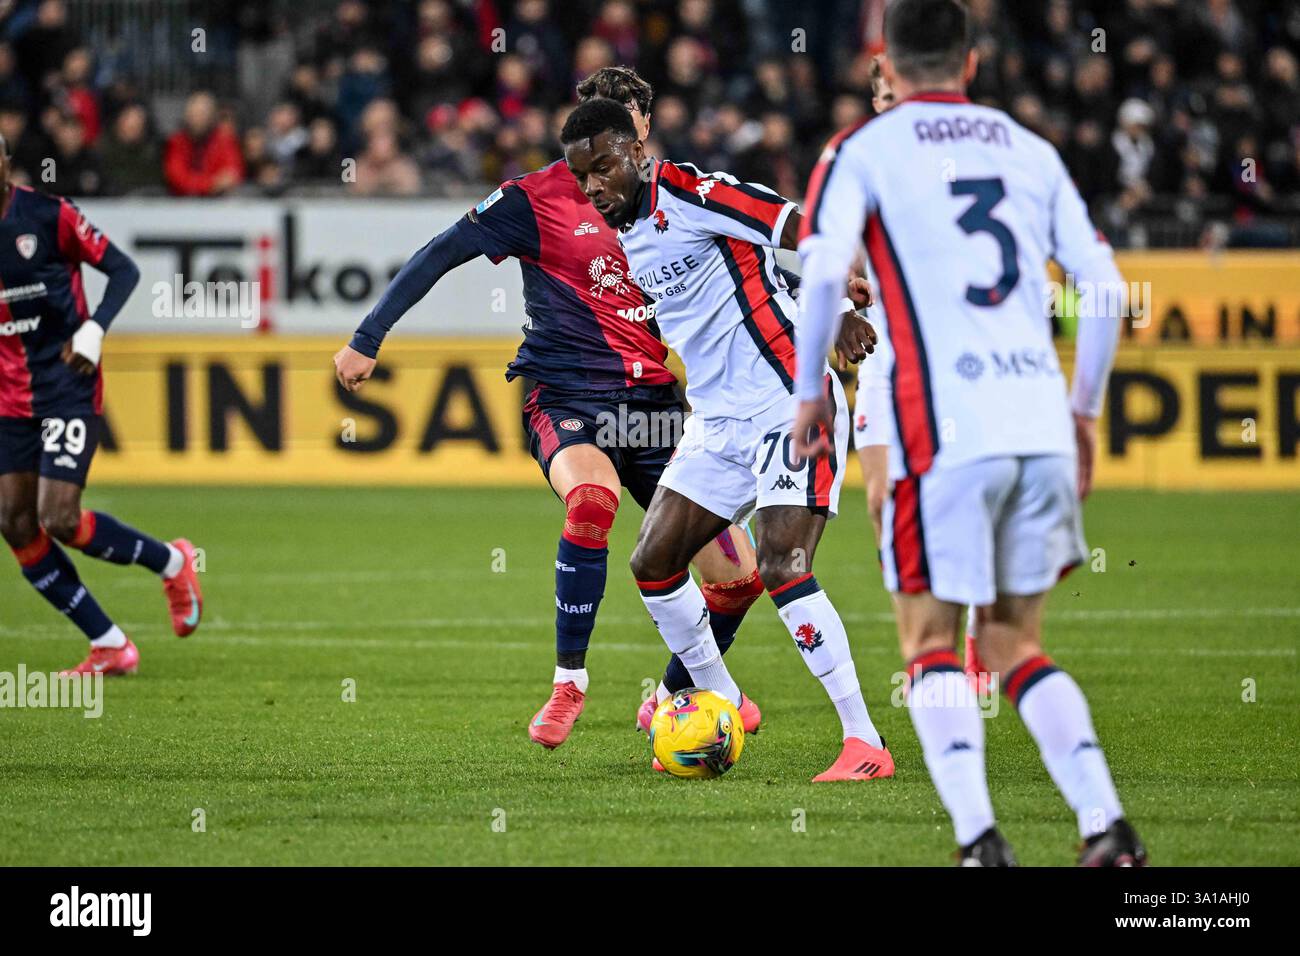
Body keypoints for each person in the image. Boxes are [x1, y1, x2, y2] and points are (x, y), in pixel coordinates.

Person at [334, 68, 817, 753]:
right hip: (568, 394)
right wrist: (368, 335)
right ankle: (569, 682)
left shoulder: (679, 199)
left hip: (654, 406)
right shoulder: (534, 198)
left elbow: (758, 269)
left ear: (640, 129)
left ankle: (679, 695)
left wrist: (842, 302)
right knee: (591, 500)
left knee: (735, 580)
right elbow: (444, 250)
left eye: (620, 124)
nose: (602, 150)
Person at [792, 0, 1144, 865]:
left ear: (887, 62)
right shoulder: (1031, 151)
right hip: (1039, 424)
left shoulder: (859, 151)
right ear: (971, 63)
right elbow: (1103, 287)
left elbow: (821, 269)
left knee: (929, 642)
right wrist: (1086, 411)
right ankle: (1107, 829)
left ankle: (980, 842)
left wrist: (808, 393)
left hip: (940, 429)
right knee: (1015, 643)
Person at [559, 97, 891, 782]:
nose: (594, 186)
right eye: (582, 176)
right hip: (717, 422)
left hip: (788, 404)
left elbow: (798, 229)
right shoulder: (619, 233)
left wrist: (836, 312)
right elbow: (753, 273)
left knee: (781, 564)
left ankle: (865, 743)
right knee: (653, 562)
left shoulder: (689, 192)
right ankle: (720, 699)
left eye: (603, 168)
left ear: (635, 154)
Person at [0, 135, 204, 674]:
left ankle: (172, 561)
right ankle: (110, 643)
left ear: (6, 163)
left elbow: (124, 270)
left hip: (67, 382)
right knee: (15, 521)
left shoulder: (48, 215)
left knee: (58, 517)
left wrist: (95, 327)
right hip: (9, 399)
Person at [851, 57, 990, 690]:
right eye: (878, 99)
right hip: (882, 358)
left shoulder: (953, 169)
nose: (887, 107)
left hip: (947, 360)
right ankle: (923, 650)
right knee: (882, 503)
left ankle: (974, 634)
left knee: (954, 498)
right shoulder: (857, 168)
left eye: (893, 95)